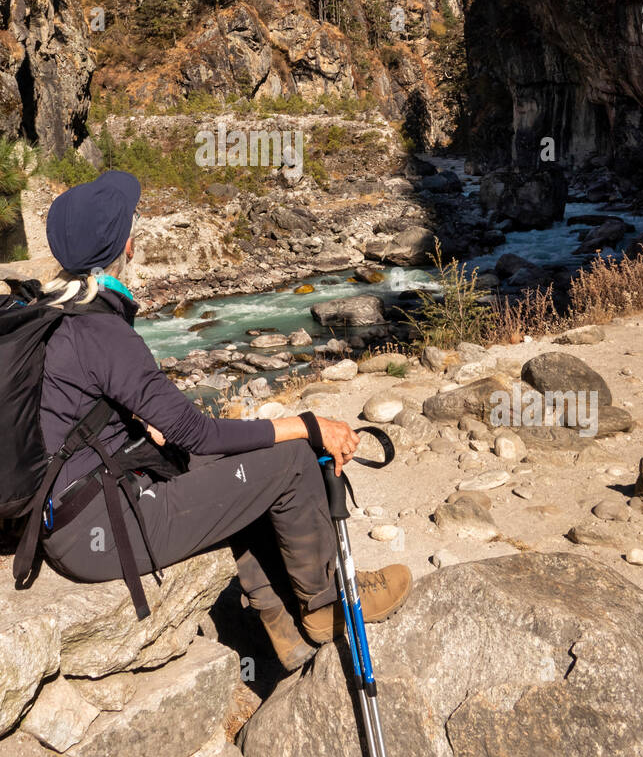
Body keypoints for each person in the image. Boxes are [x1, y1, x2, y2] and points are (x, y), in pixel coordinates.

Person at [39, 169, 412, 671]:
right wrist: (306, 423)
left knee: (230, 456)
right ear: (123, 244)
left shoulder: (53, 312)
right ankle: (328, 606)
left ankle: (276, 617)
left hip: (75, 510)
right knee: (292, 460)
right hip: (99, 531)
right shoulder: (104, 332)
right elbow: (198, 431)